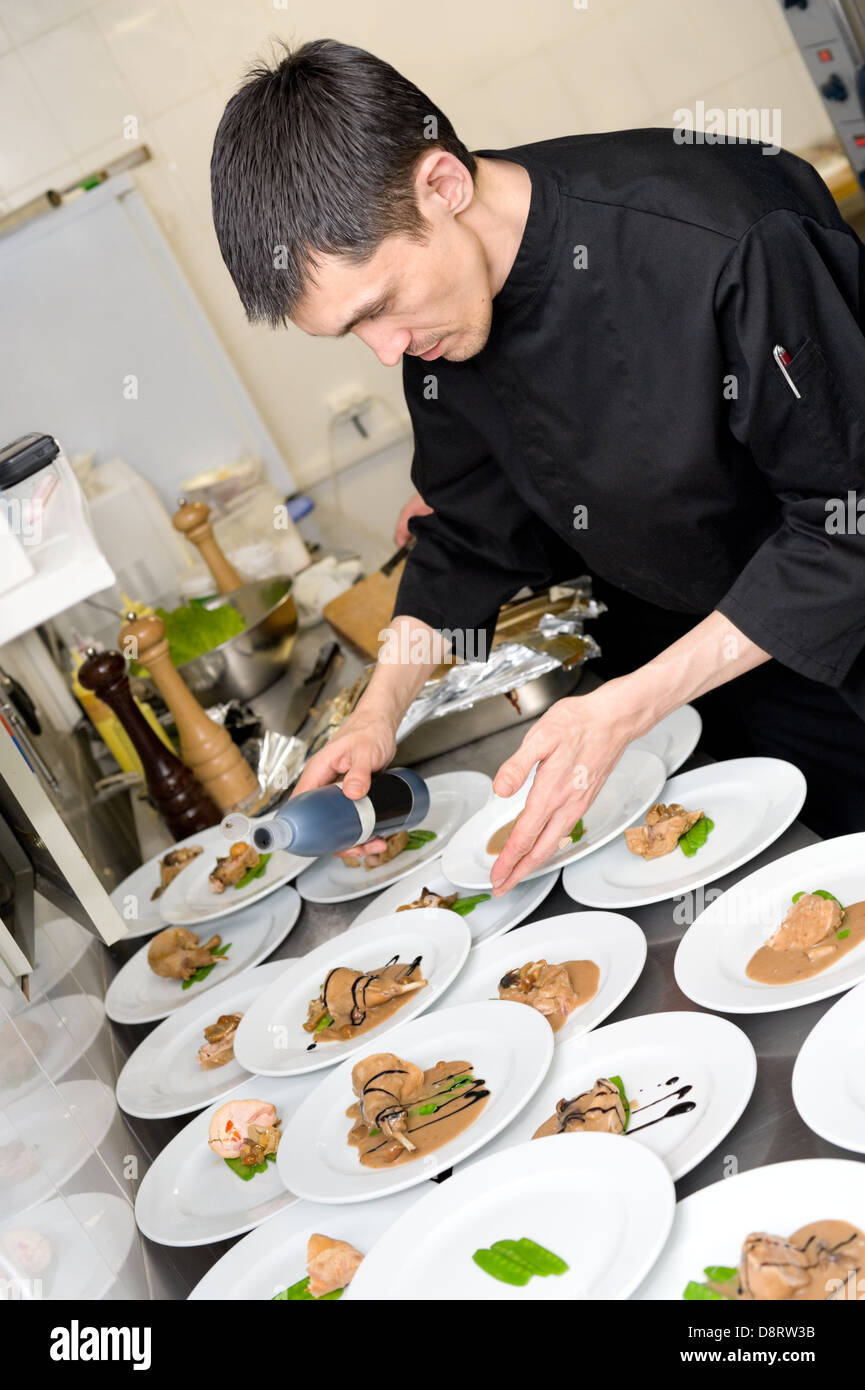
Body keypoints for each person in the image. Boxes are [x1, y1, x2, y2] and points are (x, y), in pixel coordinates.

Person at [211, 39, 865, 891]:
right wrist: (378, 714)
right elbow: (472, 531)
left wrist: (631, 702)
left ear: (443, 186)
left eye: (378, 308)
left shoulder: (719, 239)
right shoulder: (444, 316)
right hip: (701, 685)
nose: (387, 352)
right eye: (350, 333)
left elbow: (845, 524)